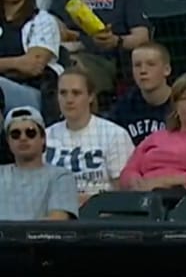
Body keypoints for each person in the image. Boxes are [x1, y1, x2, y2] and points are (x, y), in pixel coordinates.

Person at [49, 0, 150, 94]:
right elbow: (53, 26)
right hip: (64, 55)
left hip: (106, 61)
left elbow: (142, 37)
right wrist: (62, 32)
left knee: (74, 70)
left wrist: (116, 40)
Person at [44, 69, 134, 206]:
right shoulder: (45, 135)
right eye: (63, 93)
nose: (69, 99)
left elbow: (123, 190)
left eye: (76, 93)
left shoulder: (114, 134)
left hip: (99, 214)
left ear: (91, 96)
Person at [0, 0, 61, 115]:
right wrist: (16, 62)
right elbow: (22, 63)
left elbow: (33, 65)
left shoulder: (43, 21)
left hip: (31, 93)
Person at [0, 106, 76, 220]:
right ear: (8, 141)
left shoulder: (61, 176)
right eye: (15, 134)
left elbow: (57, 222)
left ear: (43, 138)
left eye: (30, 132)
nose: (23, 138)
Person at [108, 42, 173, 146]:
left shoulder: (181, 103)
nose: (143, 71)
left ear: (167, 70)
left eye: (151, 64)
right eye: (137, 65)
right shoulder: (123, 107)